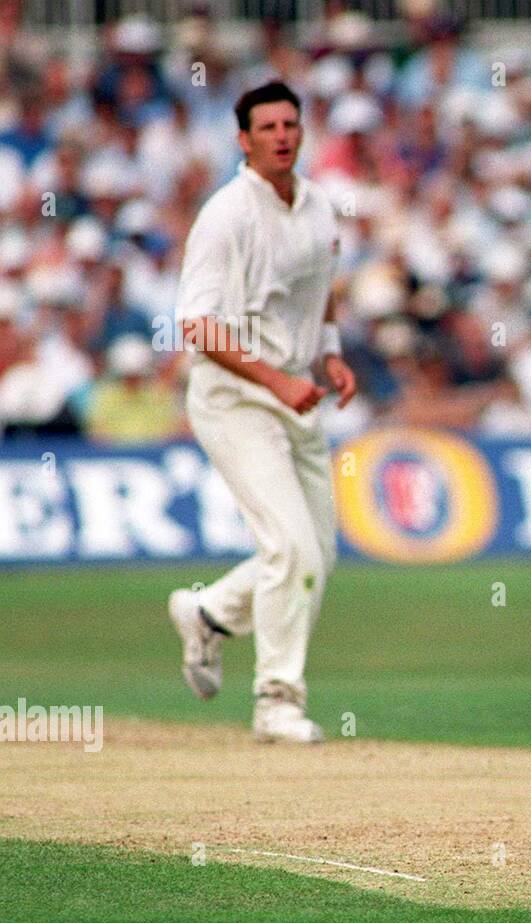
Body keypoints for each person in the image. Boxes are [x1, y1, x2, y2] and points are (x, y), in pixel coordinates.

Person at [167, 81, 356, 743]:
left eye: (290, 124)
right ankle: (276, 699)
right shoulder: (225, 214)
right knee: (289, 547)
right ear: (244, 139)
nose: (282, 135)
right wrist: (275, 379)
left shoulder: (320, 207)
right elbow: (196, 325)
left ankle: (210, 613)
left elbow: (320, 291)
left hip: (295, 392)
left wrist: (329, 355)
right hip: (235, 399)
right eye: (267, 126)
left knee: (317, 557)